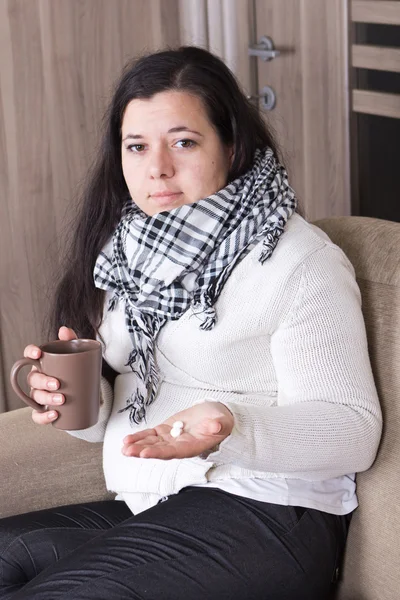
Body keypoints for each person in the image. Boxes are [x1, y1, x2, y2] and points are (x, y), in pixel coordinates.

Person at [0, 46, 382, 600]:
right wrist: (67, 402)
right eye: (137, 146)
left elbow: (352, 429)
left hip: (268, 511)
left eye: (183, 141)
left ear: (231, 145)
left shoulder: (298, 260)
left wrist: (230, 426)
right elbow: (122, 403)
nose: (156, 167)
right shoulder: (128, 253)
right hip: (156, 501)